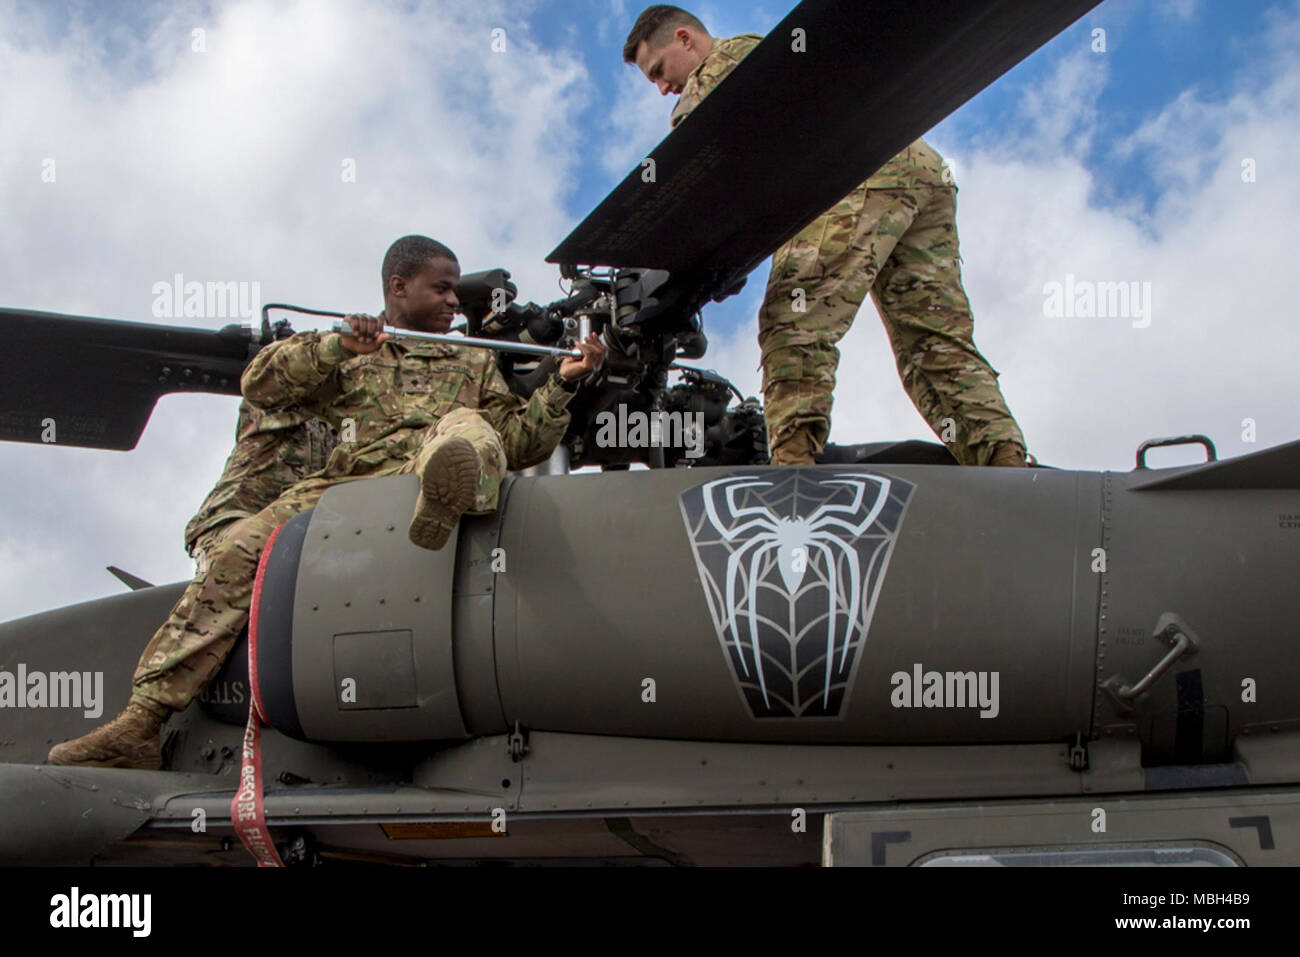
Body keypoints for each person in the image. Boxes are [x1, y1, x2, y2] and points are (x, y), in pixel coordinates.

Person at [48, 235, 605, 769]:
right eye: (442, 288)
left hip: (423, 468)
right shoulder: (351, 349)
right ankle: (142, 722)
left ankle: (444, 495)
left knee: (470, 429)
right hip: (350, 483)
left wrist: (562, 384)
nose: (454, 301)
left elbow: (520, 439)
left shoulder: (474, 361)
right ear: (399, 286)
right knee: (241, 550)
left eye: (455, 290)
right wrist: (337, 346)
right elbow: (261, 385)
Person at [623, 5, 1029, 467]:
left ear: (685, 39)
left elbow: (695, 164)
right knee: (932, 343)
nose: (662, 88)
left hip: (853, 178)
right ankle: (1003, 461)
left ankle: (792, 467)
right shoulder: (764, 58)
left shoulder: (722, 67)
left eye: (659, 70)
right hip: (914, 169)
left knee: (792, 319)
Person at [184, 399, 336, 574]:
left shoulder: (344, 423)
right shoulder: (275, 395)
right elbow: (281, 384)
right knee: (251, 549)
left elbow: (354, 446)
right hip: (228, 524)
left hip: (294, 536)